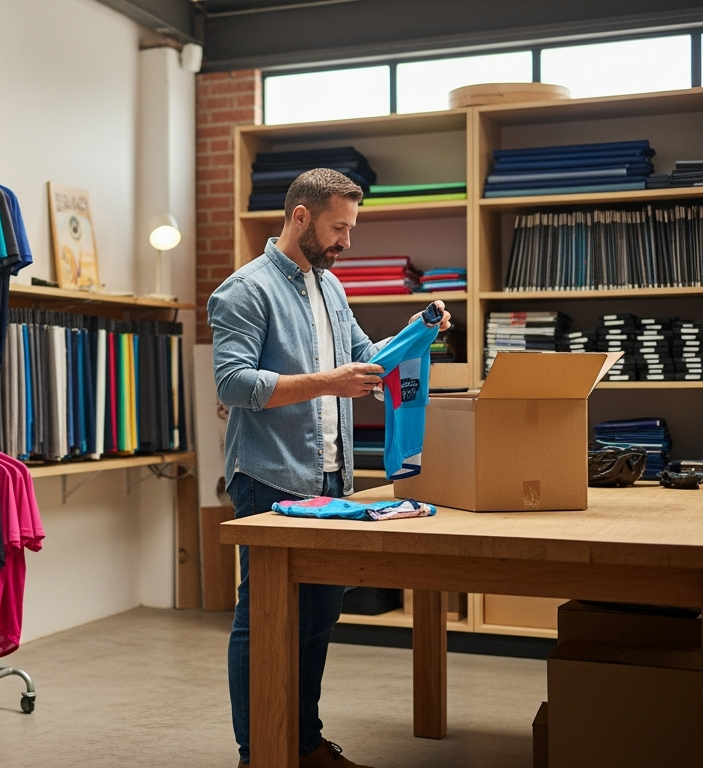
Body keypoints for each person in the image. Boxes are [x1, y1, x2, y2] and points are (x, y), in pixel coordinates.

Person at [207, 168, 452, 768]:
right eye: (338, 227)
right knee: (263, 617)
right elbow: (233, 384)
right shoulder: (245, 290)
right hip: (268, 474)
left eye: (351, 228)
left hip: (328, 476)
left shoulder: (330, 287)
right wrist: (330, 383)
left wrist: (418, 333)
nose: (347, 240)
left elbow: (366, 360)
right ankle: (258, 750)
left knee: (317, 617)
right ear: (300, 217)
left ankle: (305, 741)